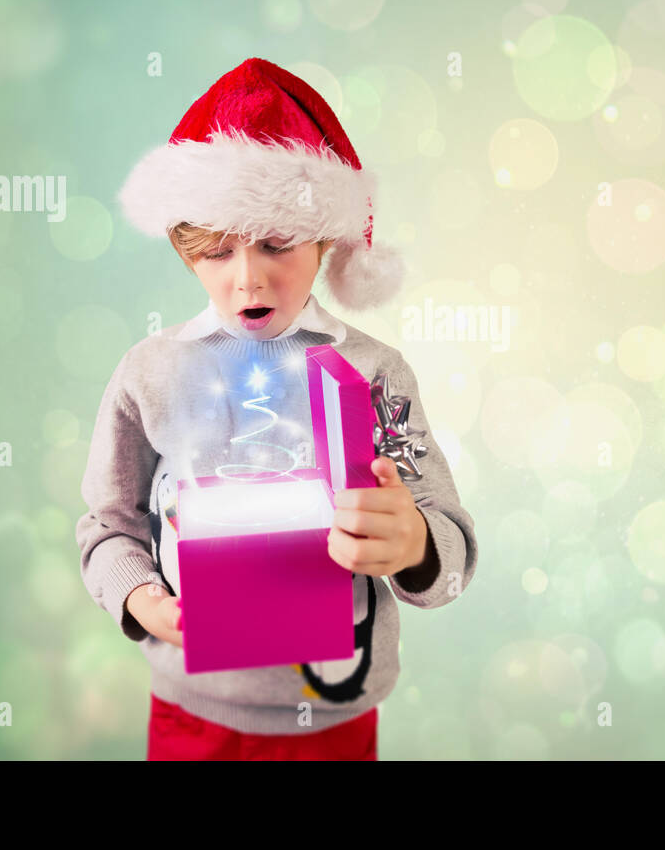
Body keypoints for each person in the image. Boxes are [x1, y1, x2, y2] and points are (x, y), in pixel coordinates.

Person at [74, 58, 478, 760]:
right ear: (183, 248)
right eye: (218, 251)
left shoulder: (377, 375)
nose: (249, 277)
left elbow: (454, 551)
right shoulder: (149, 375)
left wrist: (413, 543)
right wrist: (141, 601)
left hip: (334, 720)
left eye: (277, 243)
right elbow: (106, 527)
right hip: (191, 717)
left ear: (327, 237)